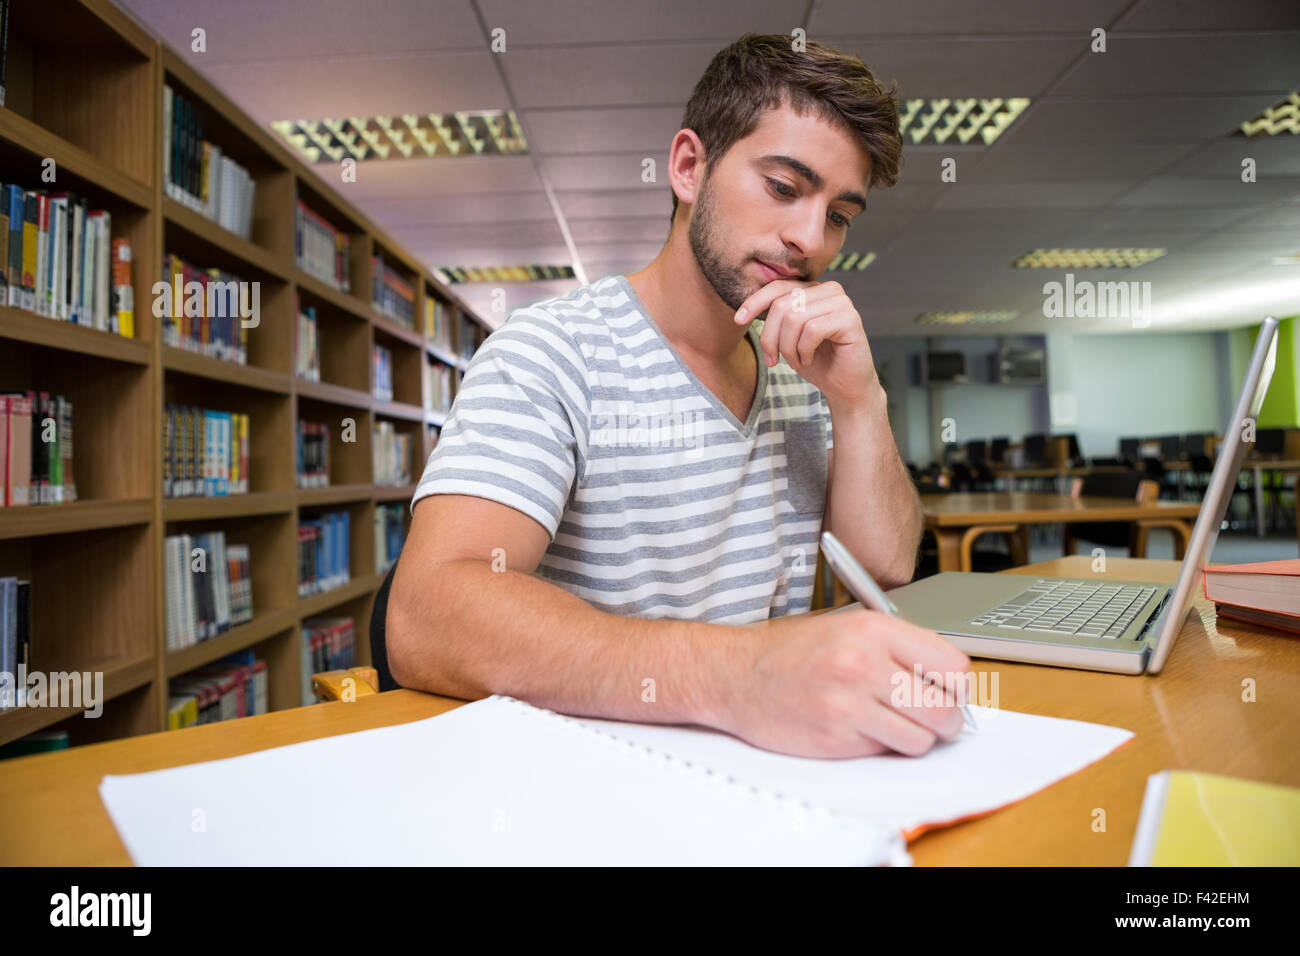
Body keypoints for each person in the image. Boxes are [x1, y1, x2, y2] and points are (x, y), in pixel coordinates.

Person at [388, 33, 972, 758]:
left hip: (769, 768)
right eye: (784, 188)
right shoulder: (551, 350)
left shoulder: (802, 372)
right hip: (594, 781)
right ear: (690, 167)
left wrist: (861, 401)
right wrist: (741, 674)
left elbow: (884, 567)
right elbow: (428, 615)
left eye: (839, 215)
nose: (810, 240)